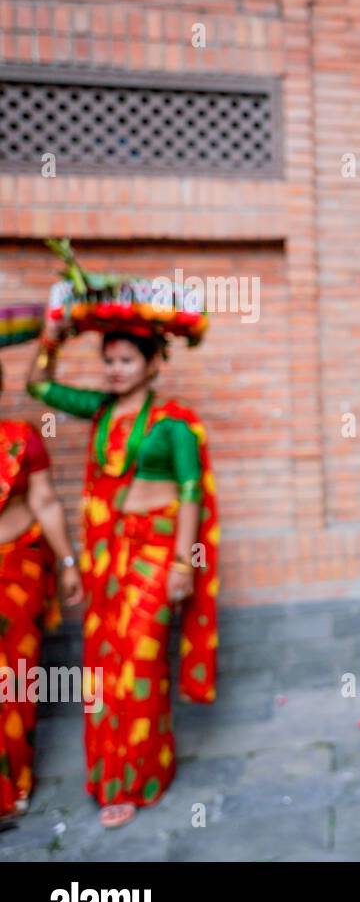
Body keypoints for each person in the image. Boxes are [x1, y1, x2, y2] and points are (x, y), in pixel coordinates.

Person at [27, 319, 220, 828]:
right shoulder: (101, 409)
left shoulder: (173, 423)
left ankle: (140, 778)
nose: (115, 370)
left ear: (154, 363)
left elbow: (190, 494)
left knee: (140, 661)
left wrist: (183, 563)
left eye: (126, 361)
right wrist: (52, 337)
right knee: (105, 666)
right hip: (109, 560)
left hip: (156, 557)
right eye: (108, 361)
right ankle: (114, 776)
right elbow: (38, 386)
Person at [0, 361, 83, 820]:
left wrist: (69, 562)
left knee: (14, 681)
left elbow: (45, 501)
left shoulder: (20, 438)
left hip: (17, 570)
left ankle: (15, 787)